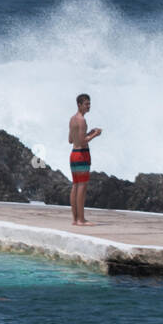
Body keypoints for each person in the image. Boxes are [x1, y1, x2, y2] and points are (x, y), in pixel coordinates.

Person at [68, 93, 102, 226]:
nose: (89, 106)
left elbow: (71, 140)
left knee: (75, 185)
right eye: (86, 104)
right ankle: (81, 219)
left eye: (89, 104)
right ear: (79, 105)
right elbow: (82, 141)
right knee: (82, 186)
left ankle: (75, 219)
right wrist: (95, 134)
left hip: (74, 154)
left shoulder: (72, 119)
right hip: (82, 154)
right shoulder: (82, 120)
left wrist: (88, 133)